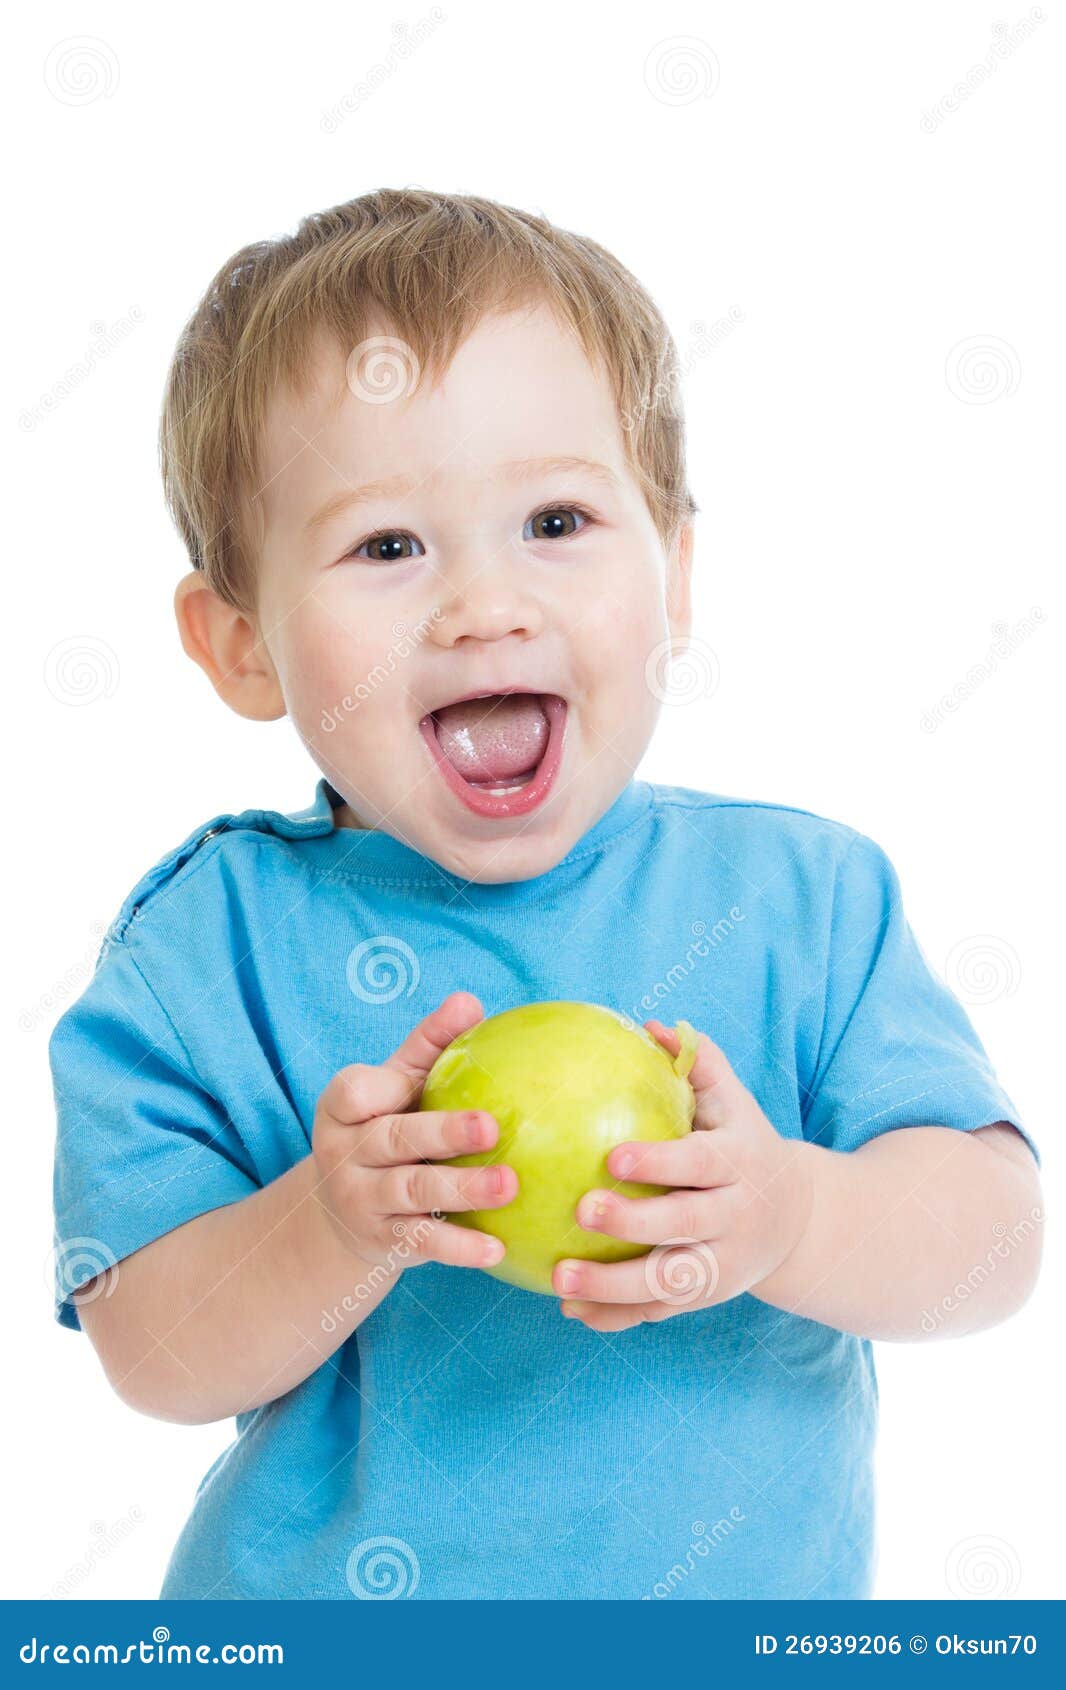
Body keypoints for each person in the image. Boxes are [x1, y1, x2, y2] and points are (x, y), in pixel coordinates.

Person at [48, 188, 1043, 1600]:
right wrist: (329, 1224)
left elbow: (996, 1244)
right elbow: (152, 1351)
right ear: (241, 642)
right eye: (388, 547)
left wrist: (792, 1215)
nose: (485, 607)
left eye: (556, 520)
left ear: (674, 573)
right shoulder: (205, 948)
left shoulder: (800, 899)